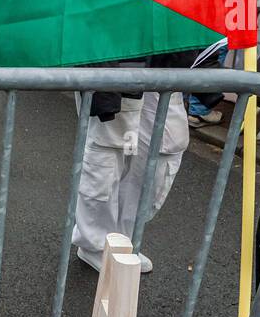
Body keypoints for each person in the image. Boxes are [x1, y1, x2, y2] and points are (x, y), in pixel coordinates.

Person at [71, 81, 190, 274]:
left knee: (166, 145)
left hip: (163, 66)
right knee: (108, 149)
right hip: (116, 65)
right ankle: (96, 244)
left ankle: (122, 239)